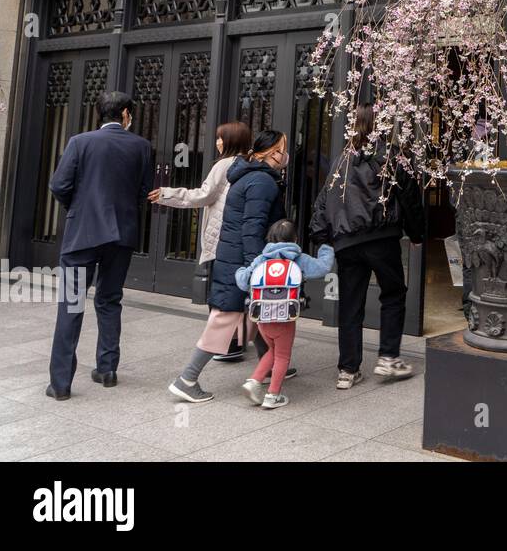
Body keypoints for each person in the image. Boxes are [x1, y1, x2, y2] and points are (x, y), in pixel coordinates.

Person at [46, 90, 154, 400]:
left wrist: (79, 209)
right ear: (124, 114)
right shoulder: (142, 146)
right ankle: (107, 369)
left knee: (71, 304)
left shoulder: (80, 142)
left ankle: (61, 383)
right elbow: (145, 190)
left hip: (83, 234)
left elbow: (59, 186)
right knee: (109, 300)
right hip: (122, 235)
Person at [168, 130, 288, 403]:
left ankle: (267, 364)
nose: (285, 155)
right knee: (223, 320)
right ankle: (188, 378)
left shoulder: (245, 176)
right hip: (241, 261)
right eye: (282, 149)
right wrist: (254, 267)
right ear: (271, 153)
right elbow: (252, 228)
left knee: (256, 314)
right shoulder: (262, 182)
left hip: (231, 257)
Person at [309, 105, 420, 389]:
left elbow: (324, 200)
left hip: (347, 242)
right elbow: (408, 195)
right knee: (393, 293)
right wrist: (418, 233)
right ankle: (388, 358)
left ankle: (348, 369)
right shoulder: (390, 157)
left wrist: (320, 236)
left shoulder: (340, 161)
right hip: (381, 237)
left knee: (350, 303)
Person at [150, 121, 254, 362]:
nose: (217, 142)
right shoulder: (249, 164)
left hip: (221, 236)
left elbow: (203, 195)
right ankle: (239, 341)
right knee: (239, 288)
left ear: (232, 140)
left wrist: (168, 193)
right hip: (239, 237)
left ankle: (227, 345)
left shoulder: (224, 165)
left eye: (221, 137)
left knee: (223, 292)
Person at [235, 219, 335, 409]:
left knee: (272, 351)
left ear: (270, 238)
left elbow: (242, 280)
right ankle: (273, 395)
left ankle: (254, 381)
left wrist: (240, 269)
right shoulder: (299, 258)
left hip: (261, 316)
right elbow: (323, 267)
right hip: (285, 317)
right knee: (282, 356)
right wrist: (326, 246)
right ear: (295, 238)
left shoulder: (262, 259)